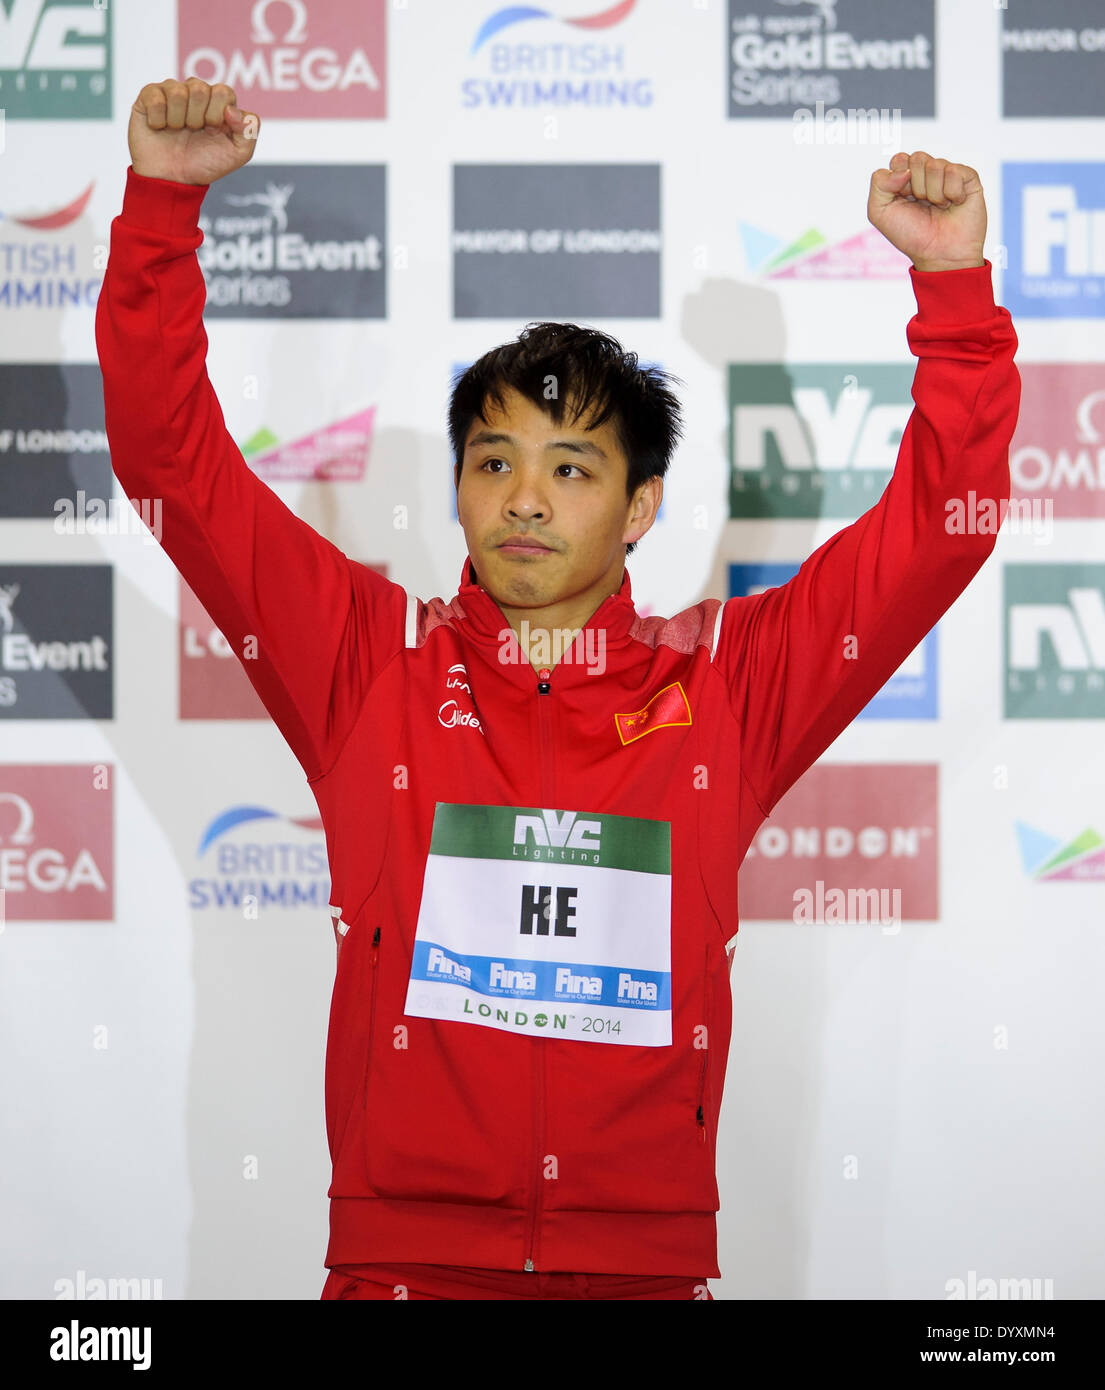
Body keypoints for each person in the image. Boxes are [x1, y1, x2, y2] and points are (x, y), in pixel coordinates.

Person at [96, 77, 1020, 1302]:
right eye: (494, 461)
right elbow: (172, 458)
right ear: (462, 489)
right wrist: (161, 208)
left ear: (638, 507)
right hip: (404, 1266)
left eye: (572, 467)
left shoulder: (726, 684)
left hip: (637, 1273)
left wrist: (954, 293)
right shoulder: (369, 665)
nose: (524, 499)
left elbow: (935, 536)